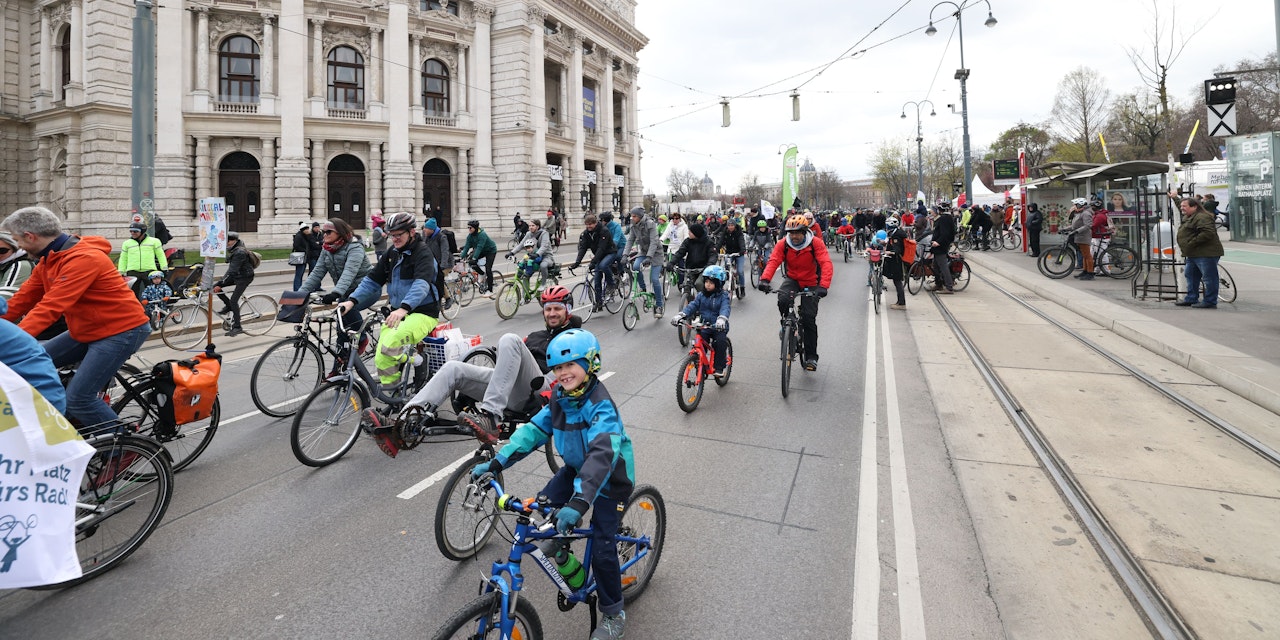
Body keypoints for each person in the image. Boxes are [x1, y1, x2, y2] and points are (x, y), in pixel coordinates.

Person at [468, 328, 634, 640]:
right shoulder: (560, 397)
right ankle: (563, 547)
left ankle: (614, 612)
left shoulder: (600, 406)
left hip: (611, 478)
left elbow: (602, 455)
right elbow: (533, 431)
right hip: (576, 468)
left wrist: (579, 502)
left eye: (571, 365)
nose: (563, 373)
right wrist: (497, 462)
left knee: (602, 548)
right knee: (544, 507)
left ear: (591, 364)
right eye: (557, 368)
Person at [1, 206, 150, 432]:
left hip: (121, 331)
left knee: (79, 399)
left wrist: (11, 343)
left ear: (30, 236)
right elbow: (21, 300)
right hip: (86, 330)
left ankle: (125, 446)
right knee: (26, 364)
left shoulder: (84, 258)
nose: (18, 247)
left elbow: (50, 307)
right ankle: (74, 423)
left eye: (17, 240)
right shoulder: (49, 259)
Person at [398, 285, 584, 452]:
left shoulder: (574, 339)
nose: (552, 313)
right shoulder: (536, 335)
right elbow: (511, 363)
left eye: (557, 309)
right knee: (453, 368)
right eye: (548, 309)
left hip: (537, 393)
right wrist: (469, 390)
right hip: (511, 390)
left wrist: (549, 399)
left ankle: (491, 417)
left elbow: (571, 378)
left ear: (568, 309)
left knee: (510, 339)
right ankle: (404, 422)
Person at [340, 212, 440, 388]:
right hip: (397, 313)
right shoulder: (392, 253)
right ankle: (392, 391)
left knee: (389, 345)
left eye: (398, 234)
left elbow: (421, 284)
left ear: (411, 232)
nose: (394, 239)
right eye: (392, 235)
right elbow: (372, 280)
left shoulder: (423, 253)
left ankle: (419, 361)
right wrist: (352, 301)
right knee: (381, 356)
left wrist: (403, 308)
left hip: (422, 313)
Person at [757, 214, 833, 371]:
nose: (794, 236)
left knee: (809, 319)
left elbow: (826, 263)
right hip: (792, 279)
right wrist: (765, 280)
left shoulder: (815, 243)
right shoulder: (783, 244)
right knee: (783, 299)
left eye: (797, 233)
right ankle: (786, 324)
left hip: (811, 281)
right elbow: (774, 261)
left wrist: (823, 286)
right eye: (791, 233)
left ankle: (811, 357)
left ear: (804, 231)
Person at [300, 218, 371, 366]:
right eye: (323, 231)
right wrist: (300, 294)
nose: (324, 234)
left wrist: (336, 293)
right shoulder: (327, 249)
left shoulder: (354, 247)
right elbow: (317, 272)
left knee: (346, 308)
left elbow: (349, 272)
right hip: (345, 292)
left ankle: (362, 338)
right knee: (341, 333)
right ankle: (338, 368)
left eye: (328, 232)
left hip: (365, 289)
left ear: (340, 233)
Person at [671, 264, 731, 376]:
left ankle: (719, 367)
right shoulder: (701, 295)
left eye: (711, 283)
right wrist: (681, 315)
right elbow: (692, 306)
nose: (708, 285)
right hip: (705, 325)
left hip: (718, 327)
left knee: (720, 343)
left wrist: (722, 319)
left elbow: (725, 308)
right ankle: (699, 364)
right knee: (699, 343)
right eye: (706, 282)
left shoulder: (723, 296)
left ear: (718, 284)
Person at [1174, 196, 1224, 308]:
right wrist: (1174, 197)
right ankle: (1191, 298)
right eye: (1181, 206)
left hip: (1205, 253)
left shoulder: (1202, 217)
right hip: (1193, 253)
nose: (1182, 208)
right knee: (1190, 275)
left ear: (1194, 207)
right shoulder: (1190, 215)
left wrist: (1191, 243)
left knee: (1209, 278)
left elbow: (1207, 233)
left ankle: (1210, 301)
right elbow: (1181, 206)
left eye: (1184, 206)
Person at [568, 213, 617, 312]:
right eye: (586, 224)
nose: (588, 226)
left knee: (603, 265)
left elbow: (601, 248)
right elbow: (583, 248)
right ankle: (599, 303)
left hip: (609, 252)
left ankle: (611, 284)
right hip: (599, 255)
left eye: (590, 224)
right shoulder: (586, 233)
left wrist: (593, 262)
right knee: (597, 280)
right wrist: (577, 262)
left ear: (595, 223)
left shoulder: (604, 231)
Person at [213, 231, 256, 336]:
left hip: (244, 277)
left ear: (234, 241)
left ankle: (237, 327)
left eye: (228, 241)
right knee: (214, 287)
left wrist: (222, 282)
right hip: (237, 275)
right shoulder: (234, 249)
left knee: (233, 300)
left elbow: (232, 271)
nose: (226, 243)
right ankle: (228, 306)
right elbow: (231, 270)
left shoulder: (239, 252)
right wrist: (220, 283)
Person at [625, 207, 664, 316]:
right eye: (631, 216)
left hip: (656, 253)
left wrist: (649, 257)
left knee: (654, 279)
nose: (632, 218)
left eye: (634, 216)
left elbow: (654, 241)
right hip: (643, 252)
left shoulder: (650, 224)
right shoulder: (633, 225)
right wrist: (625, 255)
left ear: (640, 216)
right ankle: (643, 287)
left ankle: (659, 305)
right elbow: (630, 240)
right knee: (636, 266)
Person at [117, 221, 168, 298]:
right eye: (131, 231)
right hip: (132, 271)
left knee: (152, 293)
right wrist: (121, 271)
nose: (132, 233)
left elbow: (161, 255)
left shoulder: (154, 241)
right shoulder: (126, 243)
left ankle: (152, 306)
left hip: (149, 270)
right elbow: (123, 258)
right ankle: (134, 306)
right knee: (132, 294)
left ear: (143, 231)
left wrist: (164, 268)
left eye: (135, 231)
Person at [666, 223, 712, 294]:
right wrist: (671, 262)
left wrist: (708, 266)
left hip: (703, 269)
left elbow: (713, 255)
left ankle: (704, 298)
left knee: (699, 284)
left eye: (690, 232)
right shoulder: (688, 241)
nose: (688, 233)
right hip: (690, 268)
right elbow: (680, 253)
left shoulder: (708, 242)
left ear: (696, 233)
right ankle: (688, 300)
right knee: (686, 287)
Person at [420, 217, 455, 310]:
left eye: (426, 228)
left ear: (431, 229)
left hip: (446, 263)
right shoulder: (426, 237)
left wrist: (443, 265)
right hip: (433, 263)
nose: (424, 230)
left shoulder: (441, 237)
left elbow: (445, 252)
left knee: (438, 279)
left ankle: (448, 298)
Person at [459, 219, 498, 297]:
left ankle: (490, 290)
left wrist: (474, 258)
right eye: (468, 227)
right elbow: (467, 247)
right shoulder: (470, 236)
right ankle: (482, 274)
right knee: (471, 263)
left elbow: (479, 247)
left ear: (475, 228)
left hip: (490, 250)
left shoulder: (482, 234)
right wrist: (461, 258)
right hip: (482, 250)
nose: (469, 229)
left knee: (488, 269)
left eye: (470, 228)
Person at [1065, 198, 1095, 281]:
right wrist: (1065, 229)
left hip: (1084, 236)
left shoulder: (1086, 213)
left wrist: (1077, 231)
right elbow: (1075, 226)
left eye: (1075, 205)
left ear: (1080, 205)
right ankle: (1085, 271)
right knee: (1084, 255)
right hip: (1079, 236)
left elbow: (1088, 225)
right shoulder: (1080, 213)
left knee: (1087, 255)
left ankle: (1090, 273)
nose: (1074, 207)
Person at [519, 218, 556, 285]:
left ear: (537, 226)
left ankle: (543, 284)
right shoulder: (528, 234)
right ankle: (525, 292)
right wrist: (512, 252)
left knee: (543, 265)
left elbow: (544, 246)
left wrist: (537, 254)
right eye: (529, 226)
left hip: (546, 256)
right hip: (534, 256)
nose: (530, 227)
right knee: (525, 274)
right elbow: (521, 244)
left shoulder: (544, 233)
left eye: (533, 225)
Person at [929, 207, 957, 294]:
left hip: (940, 247)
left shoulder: (944, 219)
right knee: (936, 266)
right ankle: (939, 284)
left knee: (943, 267)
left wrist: (938, 242)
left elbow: (944, 234)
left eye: (932, 212)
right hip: (939, 246)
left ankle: (949, 287)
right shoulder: (946, 218)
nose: (931, 213)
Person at [884, 217, 909, 310]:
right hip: (896, 260)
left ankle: (901, 303)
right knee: (896, 281)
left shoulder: (896, 236)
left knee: (897, 281)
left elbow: (898, 249)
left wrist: (890, 252)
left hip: (897, 261)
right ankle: (899, 301)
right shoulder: (896, 233)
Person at [720, 216, 747, 289]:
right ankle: (729, 278)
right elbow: (720, 241)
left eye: (732, 225)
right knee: (726, 267)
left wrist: (742, 250)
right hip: (729, 253)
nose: (730, 227)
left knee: (740, 271)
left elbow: (741, 241)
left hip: (739, 253)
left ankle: (742, 287)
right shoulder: (725, 232)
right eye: (729, 225)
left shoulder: (739, 232)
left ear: (735, 226)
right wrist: (715, 249)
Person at [291, 221, 313, 290]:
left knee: (301, 274)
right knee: (299, 274)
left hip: (304, 257)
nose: (308, 231)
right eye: (307, 229)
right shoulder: (299, 236)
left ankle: (299, 288)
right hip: (300, 257)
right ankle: (296, 289)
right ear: (303, 230)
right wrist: (304, 251)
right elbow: (296, 246)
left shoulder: (305, 236)